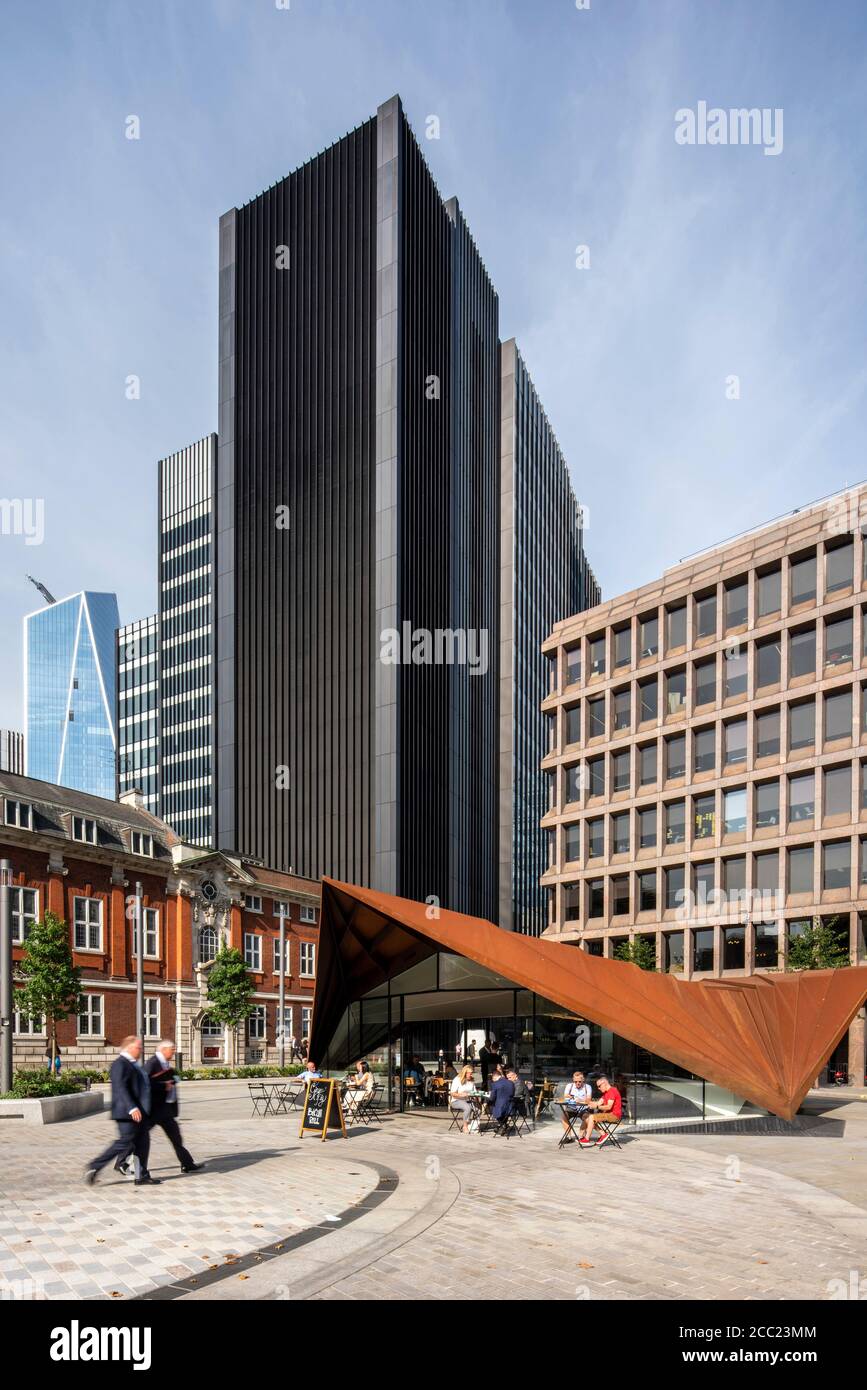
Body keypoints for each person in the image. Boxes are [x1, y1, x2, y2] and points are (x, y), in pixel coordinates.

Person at [84, 1036, 158, 1186]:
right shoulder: (120, 1064)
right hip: (127, 1113)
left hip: (139, 1113)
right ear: (129, 1047)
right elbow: (120, 1087)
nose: (141, 1050)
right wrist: (132, 1107)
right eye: (138, 1047)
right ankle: (94, 1166)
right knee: (124, 1142)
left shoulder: (133, 1064)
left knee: (143, 1143)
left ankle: (141, 1175)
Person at [141, 1040, 203, 1175]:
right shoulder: (152, 1063)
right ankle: (122, 1160)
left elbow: (175, 1078)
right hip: (154, 1108)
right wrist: (164, 1085)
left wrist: (172, 1080)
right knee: (140, 1135)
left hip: (165, 1109)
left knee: (176, 1137)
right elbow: (145, 1084)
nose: (174, 1052)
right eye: (172, 1050)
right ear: (163, 1049)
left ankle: (187, 1164)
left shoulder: (165, 1063)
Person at [579, 1075, 622, 1146]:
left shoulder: (612, 1091)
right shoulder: (606, 1093)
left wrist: (596, 1106)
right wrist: (583, 1101)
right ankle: (603, 1134)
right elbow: (598, 1103)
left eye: (599, 1086)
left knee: (592, 1117)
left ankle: (586, 1139)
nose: (598, 1088)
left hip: (614, 1115)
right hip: (608, 1114)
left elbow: (608, 1107)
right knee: (586, 1116)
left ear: (604, 1083)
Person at [561, 1069, 592, 1141]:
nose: (577, 1083)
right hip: (572, 1108)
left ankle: (580, 1136)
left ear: (583, 1080)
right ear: (573, 1080)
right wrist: (572, 1097)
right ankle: (569, 1137)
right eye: (575, 1081)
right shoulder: (569, 1086)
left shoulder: (587, 1087)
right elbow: (565, 1096)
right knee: (564, 1117)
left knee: (587, 1118)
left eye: (579, 1081)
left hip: (583, 1109)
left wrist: (580, 1100)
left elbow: (588, 1100)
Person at [449, 1065, 476, 1134]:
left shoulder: (471, 1080)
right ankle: (465, 1126)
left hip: (468, 1099)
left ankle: (474, 1125)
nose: (471, 1074)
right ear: (465, 1072)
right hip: (456, 1100)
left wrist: (475, 1096)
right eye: (469, 1073)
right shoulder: (457, 1079)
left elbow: (474, 1092)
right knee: (467, 1107)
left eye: (471, 1073)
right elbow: (452, 1093)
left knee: (478, 1108)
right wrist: (461, 1094)